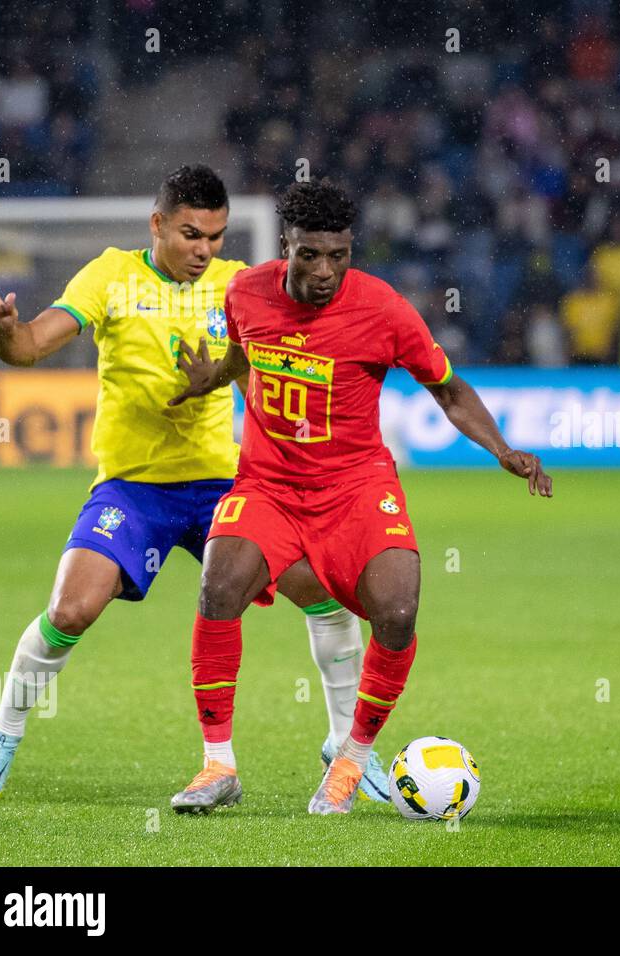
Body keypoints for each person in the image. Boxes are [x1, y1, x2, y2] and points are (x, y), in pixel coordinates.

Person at [0, 166, 390, 802]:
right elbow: (29, 346)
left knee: (327, 595)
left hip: (227, 487)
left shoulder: (240, 286)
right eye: (191, 234)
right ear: (158, 224)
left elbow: (263, 381)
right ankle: (3, 729)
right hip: (135, 488)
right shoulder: (110, 276)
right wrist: (3, 332)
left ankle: (343, 748)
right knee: (71, 610)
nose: (205, 250)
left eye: (216, 237)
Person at [166, 179, 553, 815]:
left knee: (397, 615)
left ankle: (351, 758)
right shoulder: (244, 292)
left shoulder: (384, 309)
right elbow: (245, 352)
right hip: (269, 482)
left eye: (339, 255)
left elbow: (449, 391)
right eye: (310, 255)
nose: (325, 272)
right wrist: (212, 377)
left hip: (356, 486)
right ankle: (218, 764)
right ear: (284, 245)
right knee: (219, 583)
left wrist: (502, 450)